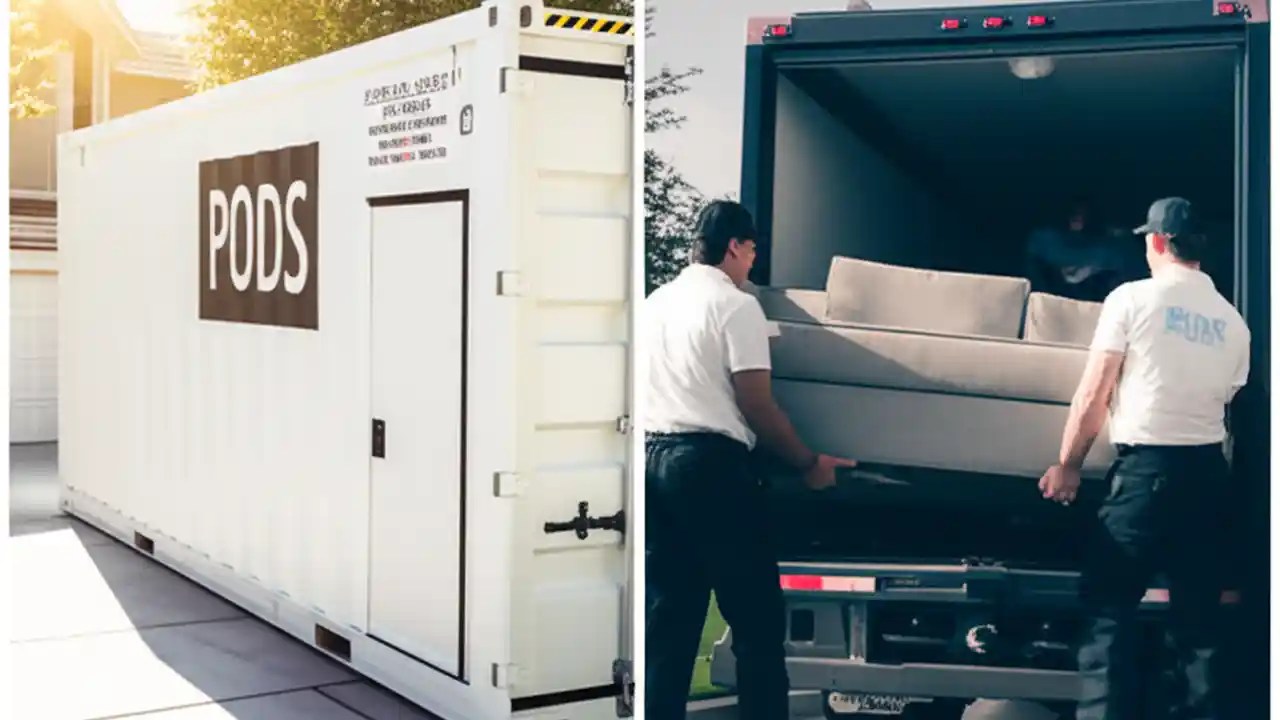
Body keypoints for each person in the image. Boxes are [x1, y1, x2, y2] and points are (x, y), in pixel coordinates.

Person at [642, 200, 856, 720]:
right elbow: (756, 403)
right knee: (757, 623)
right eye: (752, 249)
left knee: (669, 622)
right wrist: (808, 462)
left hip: (653, 459)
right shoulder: (736, 306)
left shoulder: (657, 301)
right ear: (735, 246)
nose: (753, 262)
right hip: (709, 466)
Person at [1037, 197, 1248, 720]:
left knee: (1109, 616)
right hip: (1206, 477)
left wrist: (1067, 464)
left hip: (1146, 476)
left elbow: (1095, 392)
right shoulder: (1233, 321)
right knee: (1199, 629)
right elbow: (1228, 403)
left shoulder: (1132, 299)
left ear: (1157, 242)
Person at [1025, 198, 1141, 302]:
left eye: (1082, 213)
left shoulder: (1111, 248)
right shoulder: (1045, 241)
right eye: (1073, 212)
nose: (1077, 217)